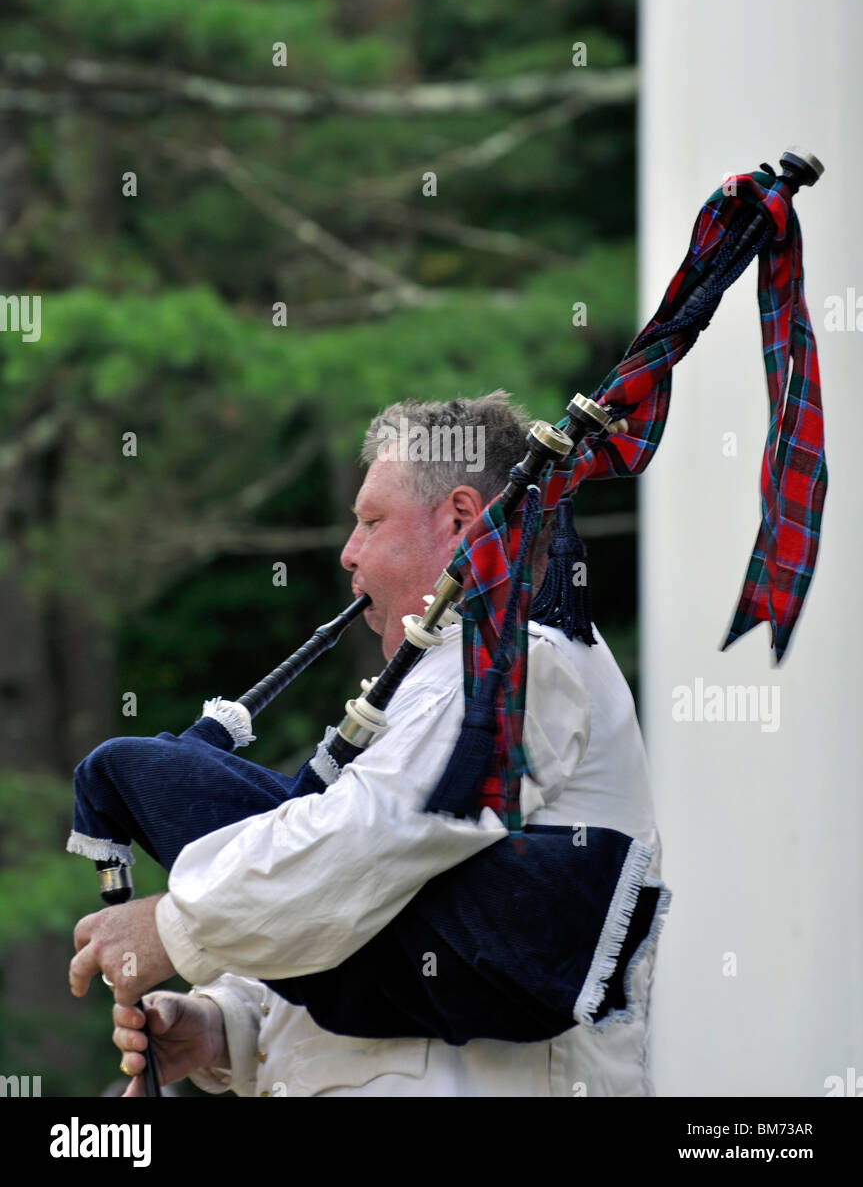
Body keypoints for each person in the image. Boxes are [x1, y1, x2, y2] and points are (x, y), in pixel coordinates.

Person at [72, 392, 662, 1097]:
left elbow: (364, 840)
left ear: (462, 520)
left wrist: (171, 927)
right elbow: (371, 926)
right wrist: (222, 1024)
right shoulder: (450, 676)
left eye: (371, 522)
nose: (349, 554)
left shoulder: (516, 667)